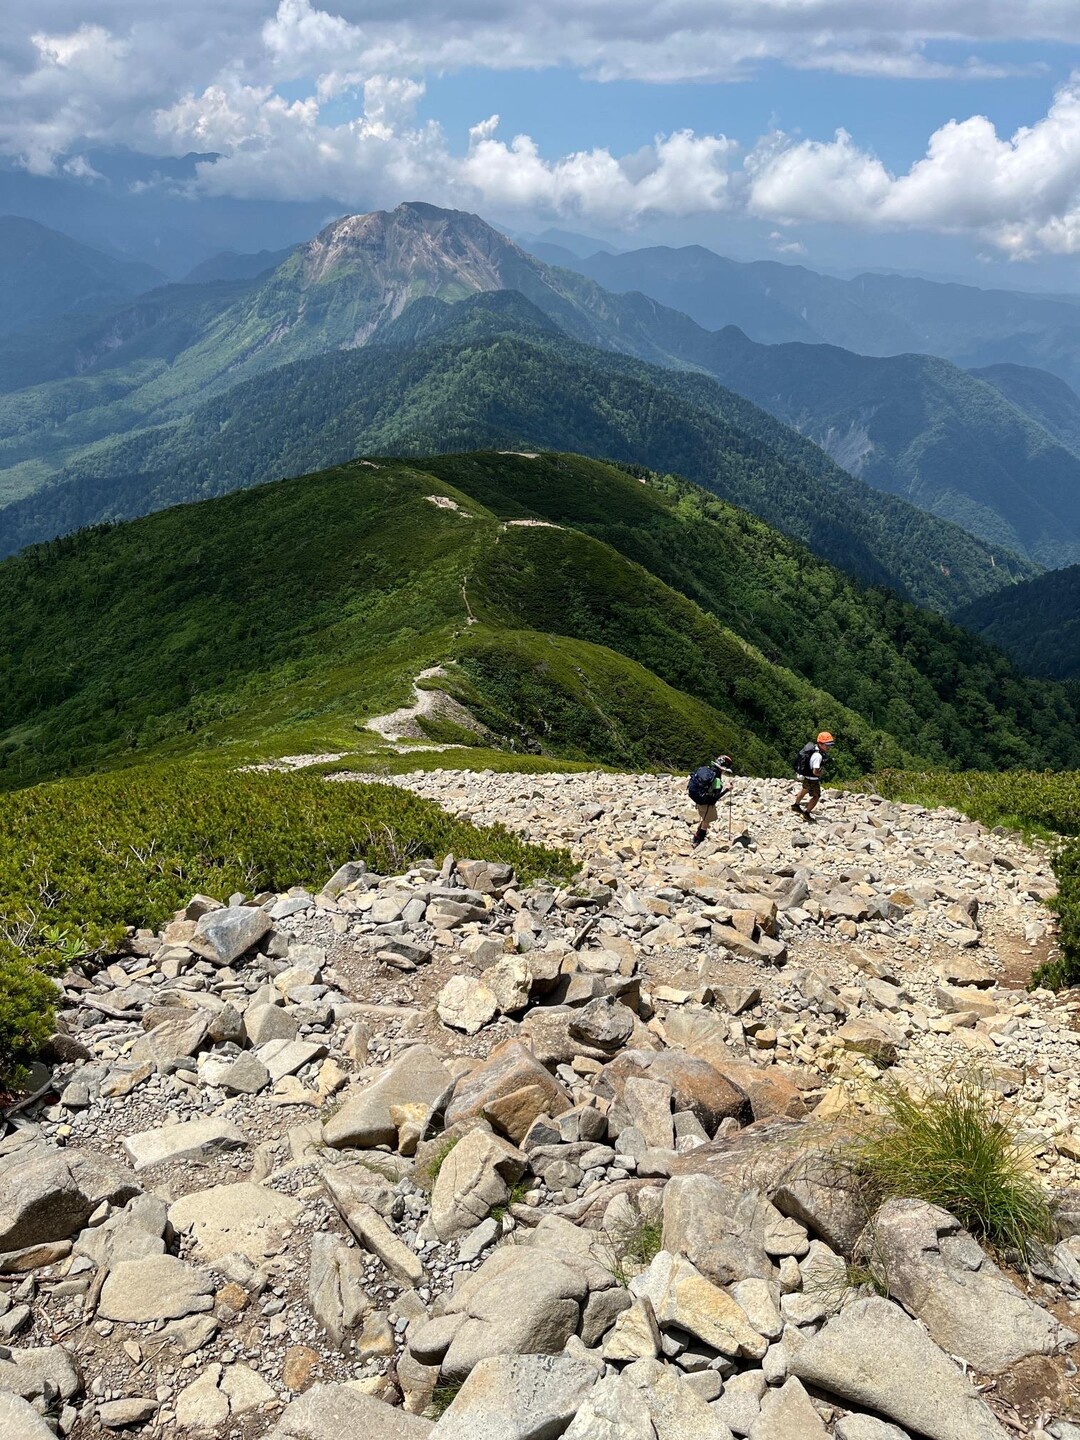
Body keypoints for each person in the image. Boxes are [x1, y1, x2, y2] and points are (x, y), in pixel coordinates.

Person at [687, 754, 734, 847]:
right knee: (706, 822)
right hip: (706, 802)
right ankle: (698, 840)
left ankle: (697, 836)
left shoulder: (707, 770)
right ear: (723, 769)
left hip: (697, 797)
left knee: (704, 818)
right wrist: (727, 790)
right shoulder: (716, 779)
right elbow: (714, 798)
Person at [792, 732, 834, 821]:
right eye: (827, 745)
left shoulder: (813, 749)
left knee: (804, 790)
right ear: (820, 744)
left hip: (806, 776)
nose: (829, 747)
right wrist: (821, 774)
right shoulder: (818, 756)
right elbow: (815, 771)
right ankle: (806, 814)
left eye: (830, 745)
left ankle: (796, 805)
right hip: (813, 779)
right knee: (816, 796)